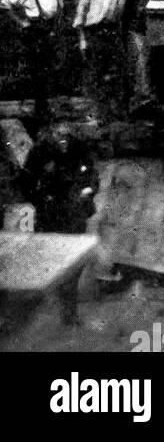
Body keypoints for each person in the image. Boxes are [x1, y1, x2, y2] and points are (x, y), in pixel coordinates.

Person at [21, 121, 99, 325]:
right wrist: (41, 200)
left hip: (75, 210)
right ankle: (56, 295)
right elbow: (26, 181)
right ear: (51, 133)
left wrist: (90, 188)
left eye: (67, 134)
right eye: (59, 134)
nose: (64, 138)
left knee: (74, 259)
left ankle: (69, 308)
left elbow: (92, 172)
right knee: (53, 257)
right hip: (51, 212)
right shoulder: (39, 151)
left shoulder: (79, 147)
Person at [72, 0, 132, 120]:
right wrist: (82, 40)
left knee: (119, 73)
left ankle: (120, 113)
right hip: (95, 33)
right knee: (96, 74)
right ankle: (100, 114)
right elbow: (81, 14)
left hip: (113, 32)